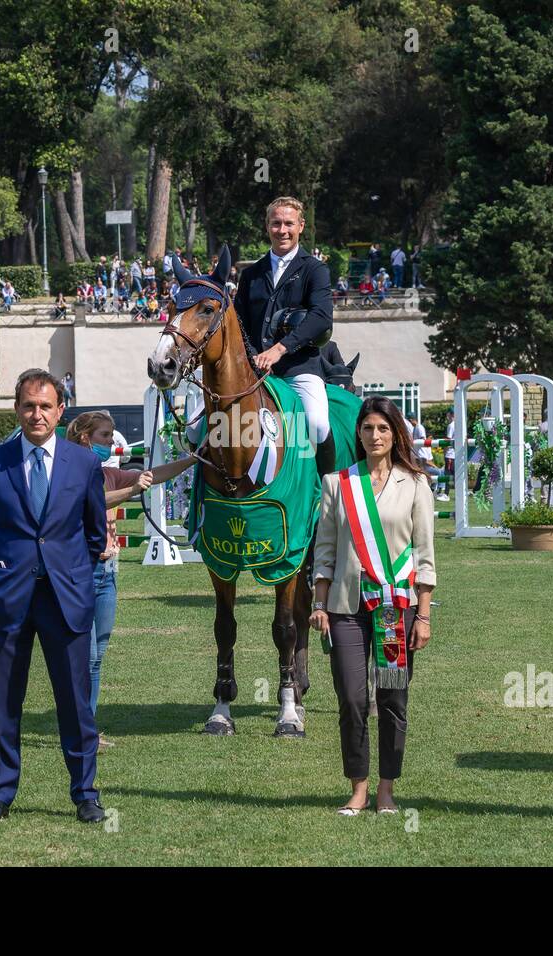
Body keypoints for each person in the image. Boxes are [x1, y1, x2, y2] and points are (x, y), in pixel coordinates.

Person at [0, 369, 108, 824]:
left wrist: (70, 575)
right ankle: (0, 794)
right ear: (17, 408)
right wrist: (8, 571)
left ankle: (85, 793)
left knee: (74, 702)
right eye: (29, 405)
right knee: (4, 703)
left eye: (46, 406)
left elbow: (93, 534)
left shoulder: (84, 464)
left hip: (66, 599)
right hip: (8, 600)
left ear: (60, 410)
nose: (37, 414)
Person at [310, 396, 436, 816]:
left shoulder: (415, 483)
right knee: (351, 697)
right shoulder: (337, 483)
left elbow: (424, 555)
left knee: (393, 698)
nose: (375, 436)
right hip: (346, 607)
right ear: (358, 433)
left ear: (395, 432)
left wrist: (423, 614)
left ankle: (386, 789)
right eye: (367, 428)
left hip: (395, 609)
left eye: (383, 428)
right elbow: (325, 549)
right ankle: (358, 787)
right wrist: (319, 602)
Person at [64, 412, 196, 745]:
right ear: (85, 438)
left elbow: (153, 475)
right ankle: (80, 729)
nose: (112, 442)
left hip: (108, 571)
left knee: (98, 655)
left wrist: (193, 460)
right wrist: (132, 490)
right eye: (105, 436)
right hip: (80, 572)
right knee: (87, 654)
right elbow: (89, 502)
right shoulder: (69, 472)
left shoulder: (108, 474)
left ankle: (86, 729)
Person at [232, 196, 337, 474]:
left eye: (289, 223)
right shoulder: (251, 274)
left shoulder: (315, 270)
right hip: (253, 372)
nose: (282, 230)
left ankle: (327, 487)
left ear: (301, 226)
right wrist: (251, 355)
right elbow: (238, 322)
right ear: (267, 227)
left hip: (298, 368)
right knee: (203, 424)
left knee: (316, 424)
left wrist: (280, 349)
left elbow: (321, 317)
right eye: (276, 223)